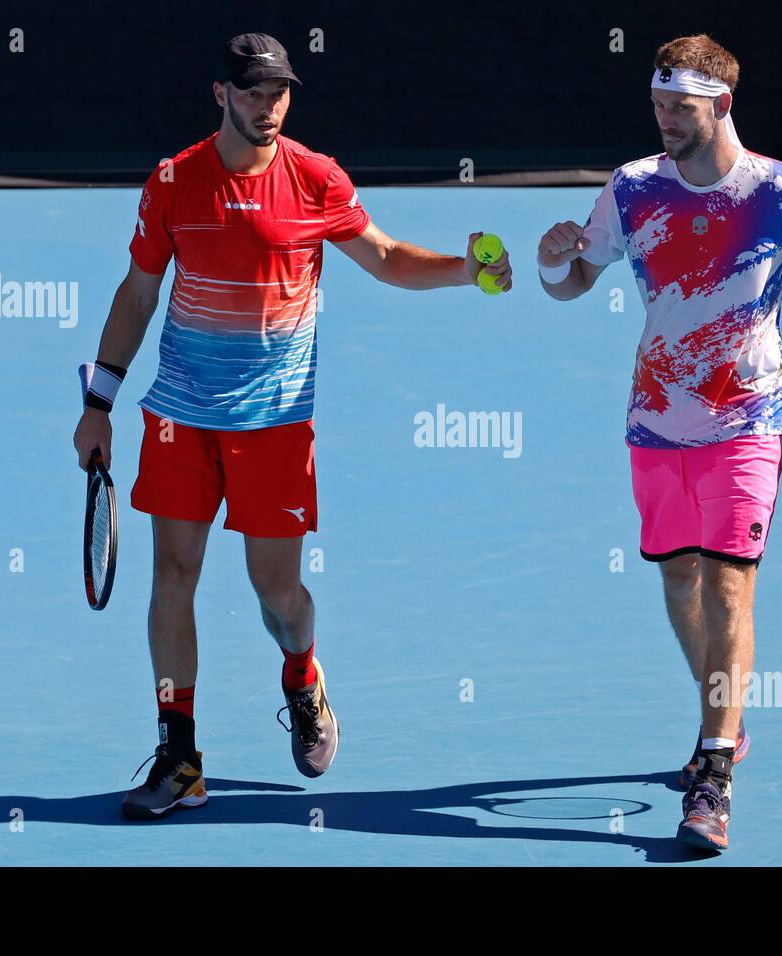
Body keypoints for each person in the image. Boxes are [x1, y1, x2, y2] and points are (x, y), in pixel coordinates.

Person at [72, 32, 512, 820]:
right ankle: (180, 757)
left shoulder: (316, 179)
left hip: (275, 421)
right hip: (178, 414)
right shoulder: (173, 181)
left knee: (276, 593)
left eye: (279, 93)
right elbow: (138, 295)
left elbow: (383, 257)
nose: (268, 107)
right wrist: (99, 404)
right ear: (220, 94)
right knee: (172, 578)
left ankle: (302, 675)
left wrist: (464, 267)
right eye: (251, 92)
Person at [535, 34, 782, 850]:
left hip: (748, 419)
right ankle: (726, 715)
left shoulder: (781, 191)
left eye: (682, 107)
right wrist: (549, 265)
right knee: (681, 583)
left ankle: (713, 769)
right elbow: (576, 283)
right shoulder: (632, 188)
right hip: (654, 422)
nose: (666, 119)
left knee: (731, 587)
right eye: (659, 105)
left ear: (722, 105)